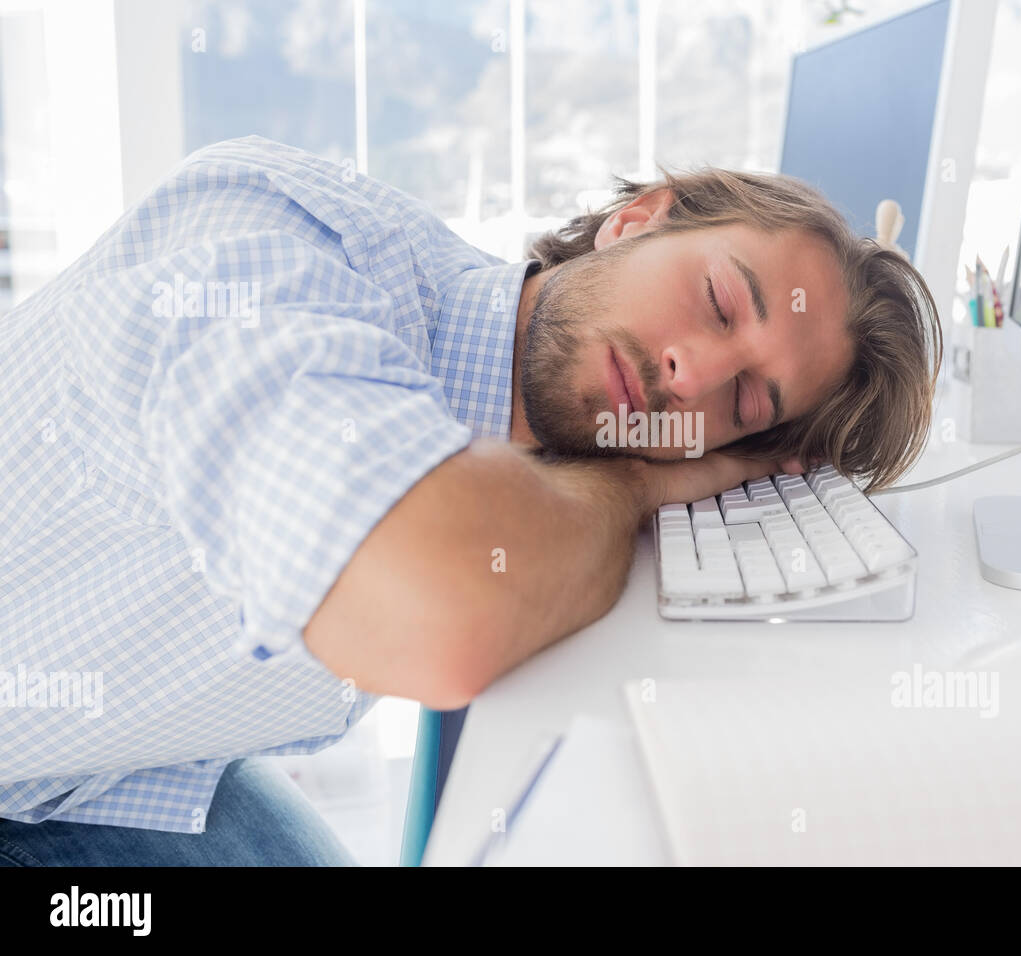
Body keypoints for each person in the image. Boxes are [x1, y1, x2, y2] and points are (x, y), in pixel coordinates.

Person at [0, 136, 940, 864]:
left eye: (741, 403)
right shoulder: (278, 246)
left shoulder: (508, 406)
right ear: (639, 220)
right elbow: (439, 617)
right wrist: (635, 477)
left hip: (93, 772)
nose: (689, 372)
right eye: (721, 304)